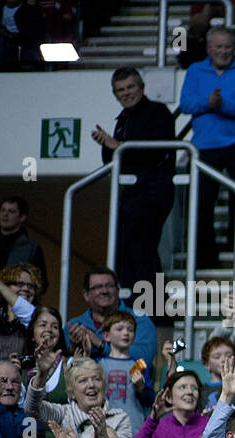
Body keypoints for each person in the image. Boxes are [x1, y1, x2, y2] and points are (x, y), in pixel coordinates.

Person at [179, 27, 235, 270]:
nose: (224, 52)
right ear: (209, 49)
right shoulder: (195, 70)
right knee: (202, 202)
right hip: (204, 145)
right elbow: (185, 105)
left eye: (228, 47)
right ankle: (206, 258)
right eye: (219, 47)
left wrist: (220, 104)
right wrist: (207, 102)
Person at [90, 67, 176, 291]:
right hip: (131, 196)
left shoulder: (158, 112)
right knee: (126, 251)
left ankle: (155, 312)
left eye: (130, 87)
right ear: (115, 95)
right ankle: (134, 308)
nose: (126, 93)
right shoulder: (123, 119)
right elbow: (114, 162)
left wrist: (118, 146)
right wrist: (108, 145)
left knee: (142, 250)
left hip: (153, 194)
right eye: (120, 90)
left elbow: (157, 153)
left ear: (142, 88)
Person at [65, 266, 157, 367]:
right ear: (86, 294)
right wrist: (72, 348)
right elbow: (64, 368)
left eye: (110, 286)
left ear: (117, 291)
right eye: (98, 287)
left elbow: (144, 361)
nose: (104, 291)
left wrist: (101, 345)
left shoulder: (139, 319)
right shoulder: (74, 326)